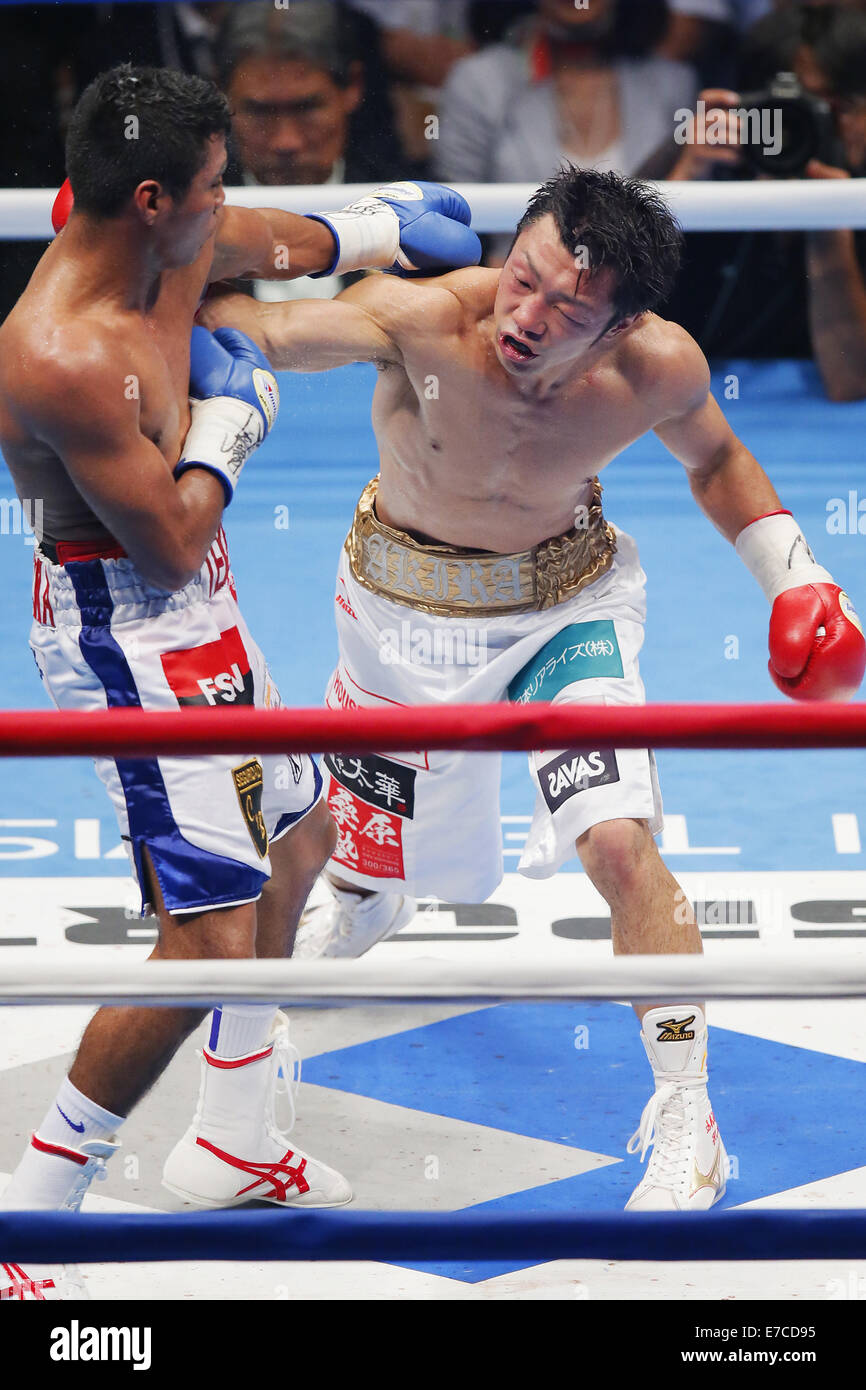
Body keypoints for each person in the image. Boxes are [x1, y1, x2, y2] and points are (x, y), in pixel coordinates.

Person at [200, 163, 866, 1213]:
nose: (526, 315)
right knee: (373, 850)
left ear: (620, 324)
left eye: (568, 307)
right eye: (523, 277)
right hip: (395, 615)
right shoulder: (420, 319)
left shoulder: (656, 369)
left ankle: (688, 1115)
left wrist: (796, 576)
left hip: (567, 607)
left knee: (617, 839)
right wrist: (344, 232)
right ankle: (367, 892)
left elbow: (715, 458)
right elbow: (243, 327)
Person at [0, 63, 480, 1301]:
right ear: (147, 198)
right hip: (125, 629)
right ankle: (34, 1214)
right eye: (208, 184)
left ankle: (230, 1138)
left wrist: (377, 221)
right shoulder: (57, 354)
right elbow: (160, 536)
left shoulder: (165, 228)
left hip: (201, 604)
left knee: (302, 834)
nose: (227, 203)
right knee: (207, 934)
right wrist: (235, 419)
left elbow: (253, 229)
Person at [644, 3, 866, 390]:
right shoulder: (705, 160)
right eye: (786, 109)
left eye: (832, 108)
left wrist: (829, 230)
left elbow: (853, 385)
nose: (804, 125)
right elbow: (595, 328)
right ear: (748, 105)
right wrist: (680, 192)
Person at [215, 0, 403, 303]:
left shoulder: (403, 204)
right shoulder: (186, 223)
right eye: (260, 111)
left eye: (307, 108)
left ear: (352, 87)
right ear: (222, 96)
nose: (285, 142)